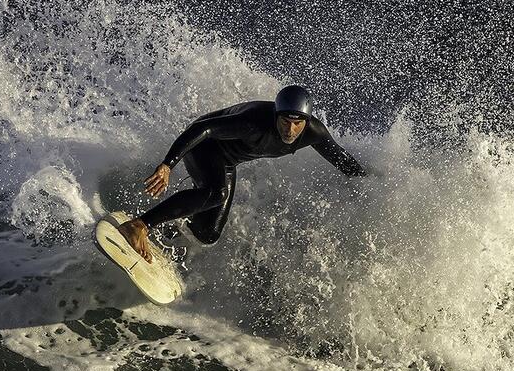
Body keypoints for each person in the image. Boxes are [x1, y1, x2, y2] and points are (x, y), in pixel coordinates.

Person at [118, 85, 366, 262]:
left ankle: (163, 231)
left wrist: (369, 183)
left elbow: (343, 162)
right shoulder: (252, 123)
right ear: (276, 115)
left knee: (208, 234)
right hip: (204, 146)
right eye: (285, 121)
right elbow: (202, 129)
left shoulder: (314, 133)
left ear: (306, 120)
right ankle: (140, 224)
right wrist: (168, 164)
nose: (290, 129)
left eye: (297, 122)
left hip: (226, 161)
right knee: (216, 193)